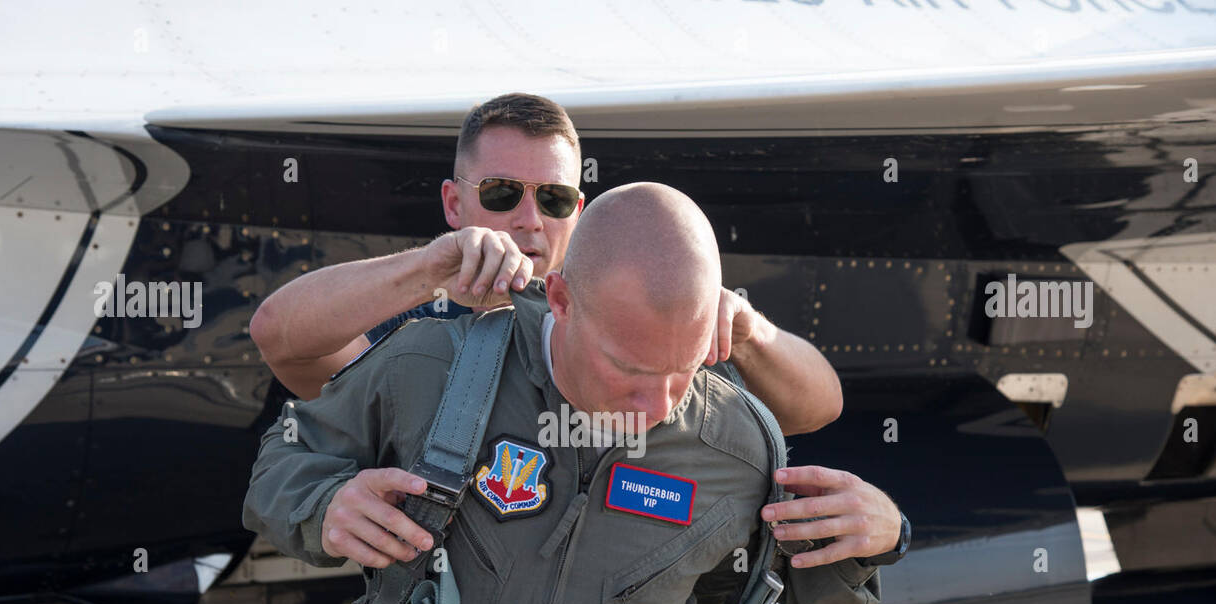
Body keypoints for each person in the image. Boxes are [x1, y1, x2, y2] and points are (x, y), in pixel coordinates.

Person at [243, 182, 901, 604]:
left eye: (683, 370)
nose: (655, 404)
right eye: (629, 368)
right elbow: (286, 457)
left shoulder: (734, 445)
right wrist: (325, 503)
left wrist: (873, 542)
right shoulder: (431, 371)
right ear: (560, 299)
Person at [248, 92, 841, 439]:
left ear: (577, 212)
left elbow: (817, 409)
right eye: (503, 193)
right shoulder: (408, 334)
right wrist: (430, 268)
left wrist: (748, 331)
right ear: (455, 204)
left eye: (553, 199)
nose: (530, 219)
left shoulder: (630, 318)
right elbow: (280, 338)